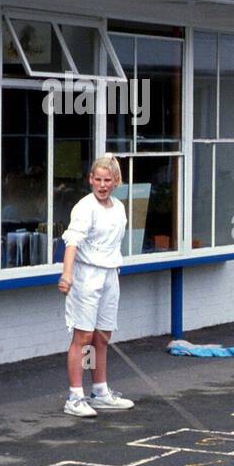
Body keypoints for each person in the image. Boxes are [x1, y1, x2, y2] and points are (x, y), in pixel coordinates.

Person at [59, 156, 134, 418]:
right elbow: (72, 242)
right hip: (86, 276)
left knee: (103, 335)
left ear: (116, 181)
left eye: (107, 180)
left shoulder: (119, 208)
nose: (102, 185)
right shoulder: (84, 207)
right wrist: (67, 275)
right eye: (97, 179)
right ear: (91, 179)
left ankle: (100, 391)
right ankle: (75, 396)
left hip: (110, 273)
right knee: (83, 337)